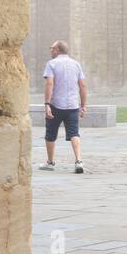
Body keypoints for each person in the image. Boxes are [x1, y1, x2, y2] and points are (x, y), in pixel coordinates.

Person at [39, 41, 87, 174]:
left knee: (50, 133)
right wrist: (83, 105)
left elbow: (49, 84)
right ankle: (78, 161)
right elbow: (82, 85)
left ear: (57, 50)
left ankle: (50, 162)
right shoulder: (76, 64)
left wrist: (47, 104)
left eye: (52, 48)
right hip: (72, 105)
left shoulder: (52, 64)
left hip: (56, 105)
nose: (50, 50)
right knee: (74, 133)